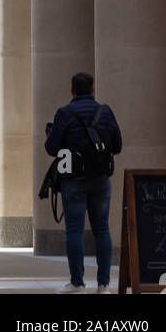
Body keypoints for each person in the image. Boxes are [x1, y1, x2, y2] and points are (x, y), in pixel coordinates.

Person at [45, 72, 122, 294]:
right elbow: (117, 145)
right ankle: (104, 285)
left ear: (72, 91)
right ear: (93, 89)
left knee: (74, 231)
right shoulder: (105, 112)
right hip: (100, 179)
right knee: (102, 230)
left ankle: (77, 283)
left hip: (73, 180)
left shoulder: (65, 113)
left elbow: (51, 148)